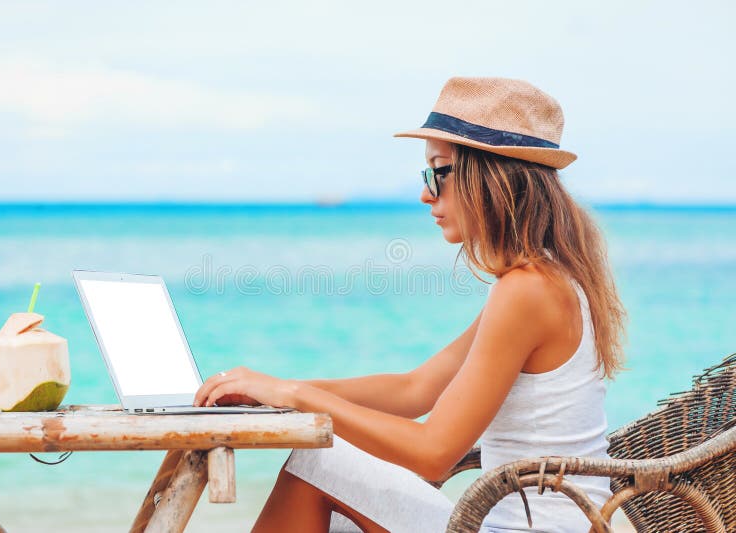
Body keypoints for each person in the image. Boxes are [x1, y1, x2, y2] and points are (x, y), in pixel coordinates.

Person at [193, 77, 626, 532]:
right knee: (329, 481)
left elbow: (434, 453)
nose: (425, 193)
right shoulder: (547, 279)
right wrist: (277, 389)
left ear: (490, 177)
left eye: (438, 171)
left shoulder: (527, 289)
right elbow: (415, 389)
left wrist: (297, 397)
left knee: (317, 465)